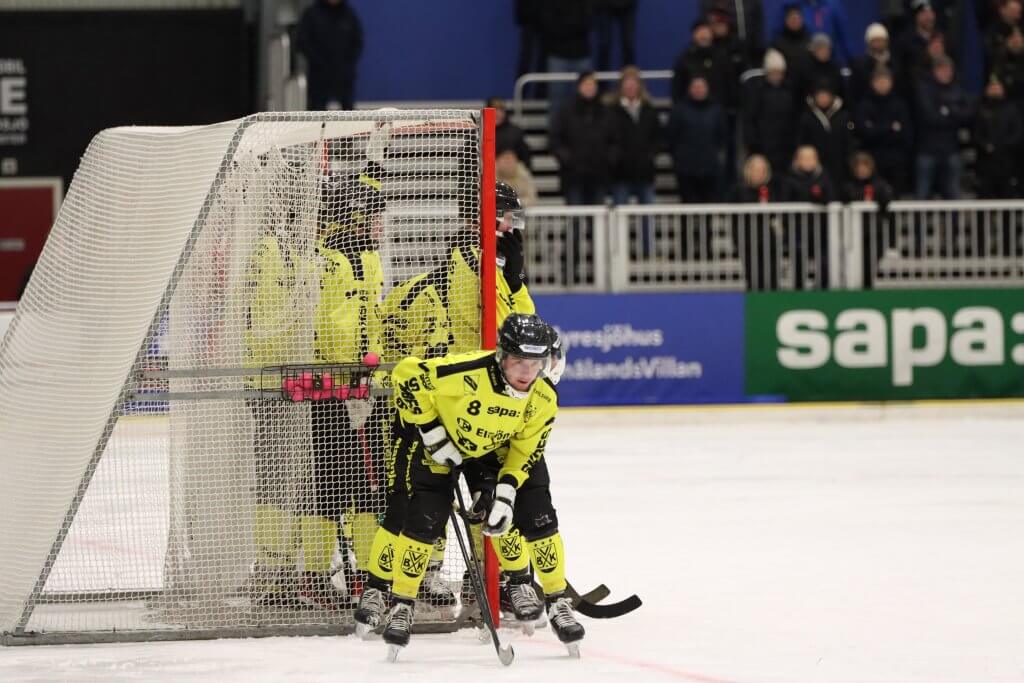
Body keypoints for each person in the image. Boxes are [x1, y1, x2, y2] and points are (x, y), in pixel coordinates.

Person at [376, 312, 583, 656]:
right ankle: (401, 604)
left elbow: (525, 450)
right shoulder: (467, 371)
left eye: (535, 364)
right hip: (437, 446)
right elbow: (406, 374)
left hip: (491, 451)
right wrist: (433, 433)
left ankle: (557, 601)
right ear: (502, 356)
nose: (525, 373)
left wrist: (506, 493)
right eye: (518, 361)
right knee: (424, 521)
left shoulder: (544, 399)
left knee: (540, 517)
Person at [303, 168, 387, 608]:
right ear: (356, 216)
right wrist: (361, 366)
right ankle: (338, 576)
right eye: (374, 216)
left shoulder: (358, 256)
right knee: (345, 484)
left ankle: (358, 573)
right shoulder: (340, 258)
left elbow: (366, 318)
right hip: (343, 386)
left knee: (349, 485)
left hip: (346, 383)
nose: (379, 226)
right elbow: (339, 323)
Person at [550, 71, 619, 205]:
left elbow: (616, 140)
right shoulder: (566, 111)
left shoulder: (606, 112)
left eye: (592, 84)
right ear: (578, 87)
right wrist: (568, 159)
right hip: (573, 176)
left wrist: (609, 159)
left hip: (599, 175)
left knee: (597, 219)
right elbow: (555, 140)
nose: (589, 87)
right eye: (586, 84)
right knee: (575, 220)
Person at [914, 55, 976, 200]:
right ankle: (918, 223)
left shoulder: (958, 90)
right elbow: (928, 116)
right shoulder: (924, 89)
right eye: (942, 70)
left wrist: (947, 110)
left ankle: (954, 223)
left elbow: (967, 115)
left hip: (951, 149)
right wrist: (953, 113)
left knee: (953, 191)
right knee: (922, 192)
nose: (946, 73)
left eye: (949, 70)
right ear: (934, 71)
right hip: (927, 149)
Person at [852, 67, 913, 197]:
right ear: (872, 83)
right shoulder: (864, 105)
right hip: (873, 159)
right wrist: (890, 128)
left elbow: (904, 132)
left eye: (886, 80)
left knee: (896, 195)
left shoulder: (899, 104)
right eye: (879, 81)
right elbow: (865, 133)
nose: (883, 84)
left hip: (897, 160)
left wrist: (877, 128)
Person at [607, 66, 661, 208]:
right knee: (619, 216)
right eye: (627, 84)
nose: (630, 87)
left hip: (645, 172)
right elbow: (607, 138)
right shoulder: (611, 111)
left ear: (639, 86)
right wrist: (615, 157)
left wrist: (651, 155)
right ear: (621, 86)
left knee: (647, 217)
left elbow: (658, 137)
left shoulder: (649, 110)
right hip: (620, 173)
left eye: (633, 84)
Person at [782, 145, 835, 289]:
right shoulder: (789, 179)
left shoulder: (824, 177)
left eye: (811, 157)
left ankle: (823, 292)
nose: (808, 161)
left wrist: (817, 197)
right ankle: (799, 294)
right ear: (797, 160)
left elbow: (830, 198)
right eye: (804, 158)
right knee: (799, 265)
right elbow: (786, 203)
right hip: (797, 231)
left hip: (821, 230)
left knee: (825, 264)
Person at [668, 76, 728, 203]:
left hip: (710, 169)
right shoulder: (679, 110)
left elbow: (722, 136)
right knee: (687, 207)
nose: (698, 90)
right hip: (685, 169)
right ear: (689, 89)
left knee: (708, 206)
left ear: (707, 89)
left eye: (701, 87)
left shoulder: (716, 110)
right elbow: (671, 137)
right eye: (695, 87)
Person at [296, 0, 363, 111]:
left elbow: (357, 41)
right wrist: (318, 61)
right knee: (317, 111)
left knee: (348, 112)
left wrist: (348, 63)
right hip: (319, 74)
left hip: (344, 73)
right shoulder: (312, 14)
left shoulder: (348, 14)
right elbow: (302, 41)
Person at [742, 49, 798, 177]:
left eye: (780, 72)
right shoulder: (757, 91)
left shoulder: (789, 91)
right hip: (763, 146)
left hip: (785, 147)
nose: (777, 76)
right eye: (774, 72)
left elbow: (793, 119)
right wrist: (753, 145)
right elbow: (750, 119)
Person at [728, 154, 780, 290]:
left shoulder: (772, 190)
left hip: (768, 239)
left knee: (772, 275)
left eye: (762, 171)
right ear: (748, 171)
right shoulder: (738, 190)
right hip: (747, 239)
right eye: (756, 170)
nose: (759, 174)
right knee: (754, 276)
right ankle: (755, 305)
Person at [844, 152, 895, 287]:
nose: (862, 169)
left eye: (865, 166)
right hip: (853, 234)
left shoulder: (880, 184)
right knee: (854, 266)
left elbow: (887, 203)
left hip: (874, 233)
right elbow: (846, 200)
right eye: (859, 167)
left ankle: (867, 291)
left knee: (870, 266)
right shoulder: (848, 186)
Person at [672, 18, 737, 111]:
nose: (703, 35)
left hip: (718, 112)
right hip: (690, 112)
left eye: (706, 31)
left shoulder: (723, 58)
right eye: (699, 32)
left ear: (712, 34)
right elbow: (677, 89)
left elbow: (730, 86)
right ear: (693, 35)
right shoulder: (684, 59)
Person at [974, 75, 1023, 199]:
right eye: (992, 87)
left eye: (997, 87)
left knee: (1007, 196)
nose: (995, 90)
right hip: (986, 161)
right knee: (984, 198)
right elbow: (976, 133)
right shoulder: (981, 108)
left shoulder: (1012, 108)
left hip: (1007, 160)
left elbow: (1018, 133)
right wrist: (986, 146)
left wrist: (1002, 146)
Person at [797, 80, 852, 188]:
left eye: (826, 95)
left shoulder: (843, 116)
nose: (823, 98)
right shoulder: (807, 117)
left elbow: (848, 140)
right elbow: (801, 140)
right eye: (820, 95)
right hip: (814, 165)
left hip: (839, 163)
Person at [777, 0, 852, 65]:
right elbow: (780, 33)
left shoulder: (833, 5)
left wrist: (849, 60)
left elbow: (845, 37)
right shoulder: (792, 5)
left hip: (830, 61)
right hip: (802, 61)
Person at [701, 0, 766, 69]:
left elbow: (759, 28)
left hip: (751, 52)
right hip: (721, 51)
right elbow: (706, 25)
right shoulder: (710, 3)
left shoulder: (753, 2)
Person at [850, 23, 900, 103]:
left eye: (881, 40)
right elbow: (855, 91)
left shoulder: (895, 62)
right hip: (867, 107)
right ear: (868, 43)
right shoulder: (860, 65)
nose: (878, 44)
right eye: (875, 41)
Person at [488, 97, 532, 170]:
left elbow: (526, 159)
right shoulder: (479, 133)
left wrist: (511, 159)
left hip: (513, 171)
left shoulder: (516, 132)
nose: (498, 113)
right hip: (489, 171)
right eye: (494, 109)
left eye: (501, 110)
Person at [771, 3, 812, 79]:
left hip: (808, 84)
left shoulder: (810, 40)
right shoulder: (778, 43)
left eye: (797, 18)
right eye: (792, 18)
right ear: (786, 20)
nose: (795, 21)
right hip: (786, 84)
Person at [593, 0, 637, 71]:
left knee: (628, 43)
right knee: (604, 44)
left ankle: (630, 78)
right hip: (603, 5)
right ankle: (603, 80)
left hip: (627, 5)